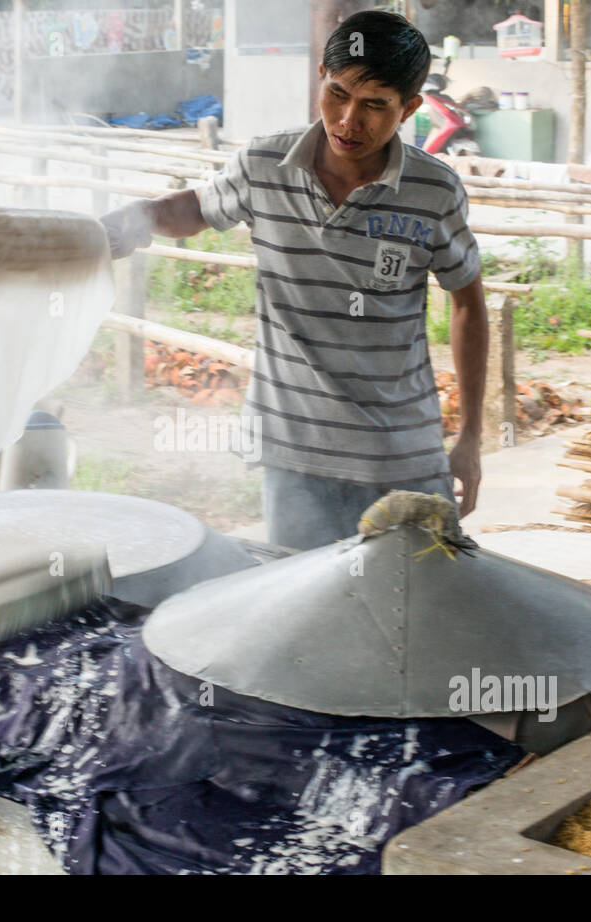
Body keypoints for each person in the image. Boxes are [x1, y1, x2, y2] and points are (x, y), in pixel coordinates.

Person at [101, 10, 488, 551]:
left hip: (404, 456)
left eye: (375, 104)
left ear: (409, 108)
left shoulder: (433, 190)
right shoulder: (264, 165)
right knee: (302, 619)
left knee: (414, 621)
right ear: (320, 81)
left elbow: (468, 302)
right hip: (294, 455)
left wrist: (470, 436)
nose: (349, 120)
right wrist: (125, 225)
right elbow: (194, 208)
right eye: (337, 94)